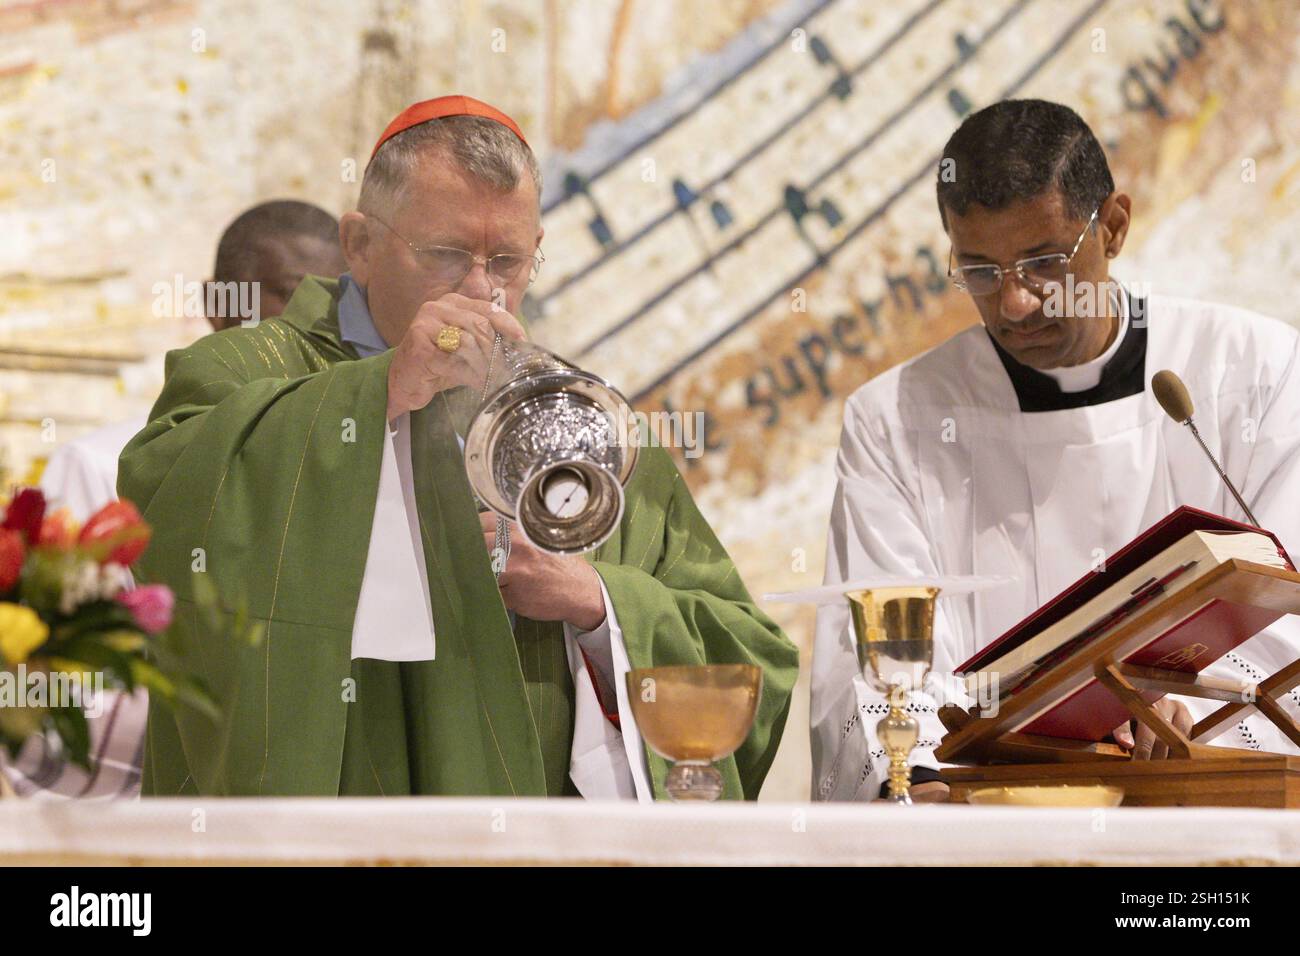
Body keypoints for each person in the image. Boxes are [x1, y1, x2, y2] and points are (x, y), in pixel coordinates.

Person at [120, 94, 798, 800]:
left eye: (509, 259)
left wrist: (595, 602)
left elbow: (745, 659)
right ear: (359, 245)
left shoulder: (573, 417)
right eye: (445, 256)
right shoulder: (242, 368)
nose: (484, 290)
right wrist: (380, 390)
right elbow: (165, 526)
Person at [811, 99, 1300, 802]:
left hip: (1205, 795)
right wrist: (913, 782)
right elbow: (877, 659)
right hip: (989, 819)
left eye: (1043, 263)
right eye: (978, 270)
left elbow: (1286, 610)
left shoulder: (1255, 371)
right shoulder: (896, 418)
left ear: (1114, 226)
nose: (1014, 302)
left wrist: (1195, 721)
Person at [0, 200, 346, 800]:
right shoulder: (102, 467)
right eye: (290, 294)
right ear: (218, 304)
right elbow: (49, 694)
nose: (313, 325)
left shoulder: (353, 469)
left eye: (336, 303)